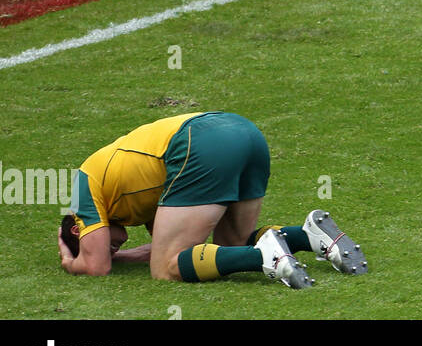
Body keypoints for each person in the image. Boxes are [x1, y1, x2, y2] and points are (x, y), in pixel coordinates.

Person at [57, 110, 367, 289]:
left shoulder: (83, 188)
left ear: (76, 229)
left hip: (197, 142)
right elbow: (182, 243)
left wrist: (71, 262)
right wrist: (125, 256)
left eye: (110, 245)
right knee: (232, 247)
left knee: (164, 270)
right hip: (244, 132)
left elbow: (96, 266)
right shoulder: (127, 197)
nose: (115, 247)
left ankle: (266, 259)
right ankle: (308, 236)